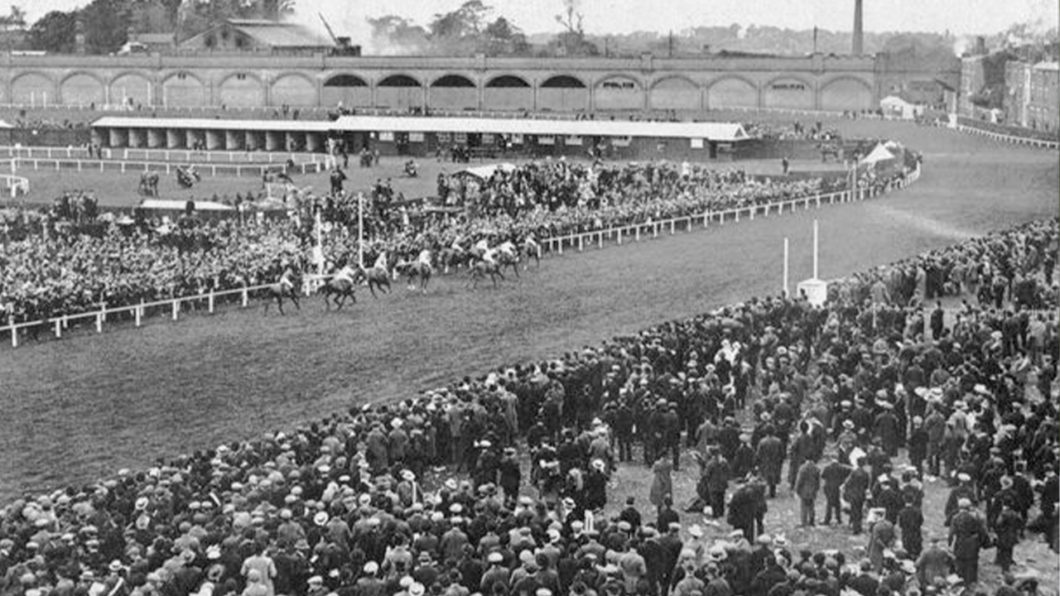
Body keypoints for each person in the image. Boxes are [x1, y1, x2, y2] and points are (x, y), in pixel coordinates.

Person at [948, 498, 990, 585]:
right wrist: (983, 542)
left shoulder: (955, 518)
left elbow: (951, 533)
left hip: (960, 543)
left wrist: (950, 543)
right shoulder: (975, 518)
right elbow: (981, 531)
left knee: (960, 562)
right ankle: (971, 581)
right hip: (972, 543)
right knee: (972, 563)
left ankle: (961, 580)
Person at [794, 458, 820, 527]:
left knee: (804, 507)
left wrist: (796, 490)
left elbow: (799, 481)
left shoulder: (803, 468)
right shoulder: (816, 469)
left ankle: (804, 522)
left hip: (804, 490)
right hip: (812, 490)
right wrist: (816, 489)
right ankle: (812, 521)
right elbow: (818, 482)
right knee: (811, 507)